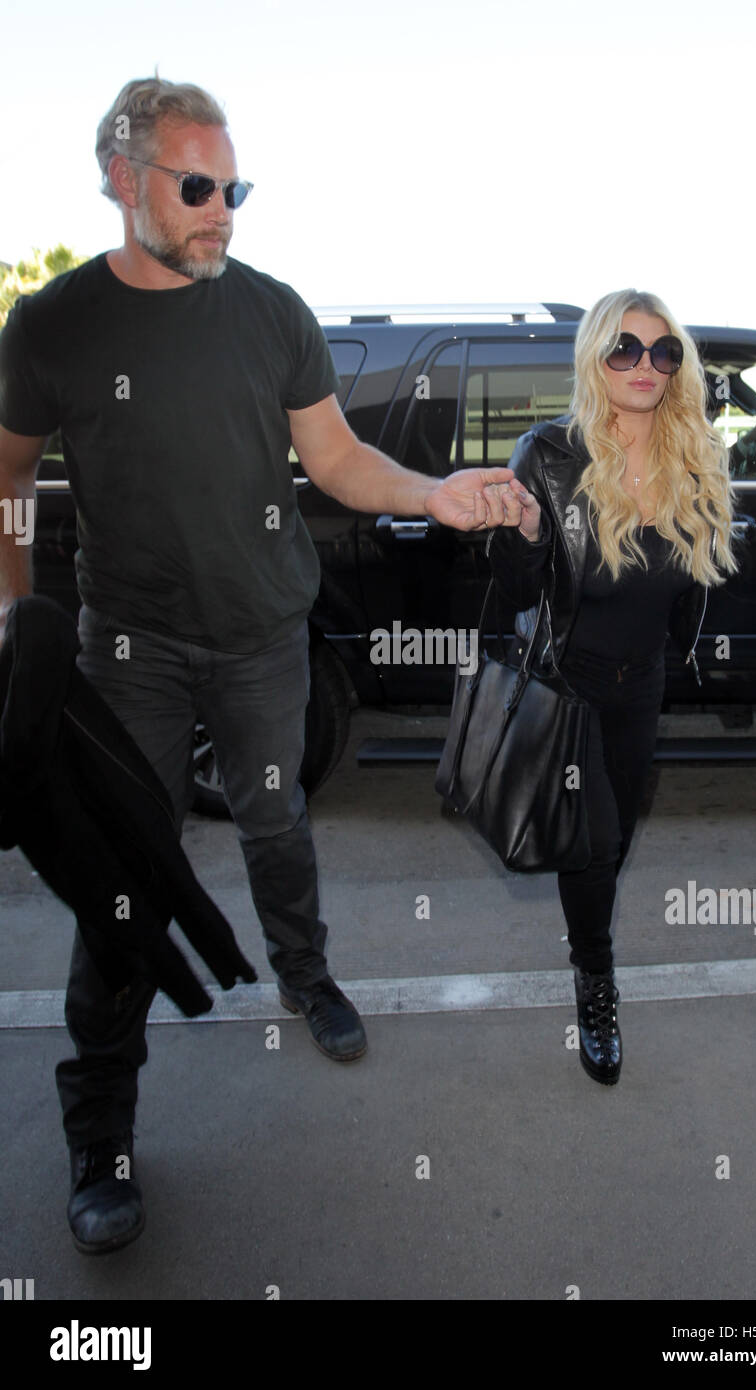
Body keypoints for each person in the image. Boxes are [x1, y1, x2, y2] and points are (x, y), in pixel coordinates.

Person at [0, 76, 522, 1254]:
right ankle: (103, 1131)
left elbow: (336, 461)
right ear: (122, 179)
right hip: (124, 652)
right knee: (120, 877)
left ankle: (305, 973)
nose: (222, 211)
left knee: (277, 826)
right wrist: (17, 616)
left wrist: (434, 490)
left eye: (234, 187)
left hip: (261, 640)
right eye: (197, 188)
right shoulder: (53, 327)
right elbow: (8, 475)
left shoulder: (272, 312)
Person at [483, 289, 738, 1086]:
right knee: (592, 847)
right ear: (596, 357)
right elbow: (513, 585)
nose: (645, 366)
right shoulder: (550, 454)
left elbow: (692, 584)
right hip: (570, 685)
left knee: (614, 842)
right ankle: (595, 981)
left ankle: (588, 938)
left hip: (642, 686)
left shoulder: (694, 453)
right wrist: (523, 534)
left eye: (663, 353)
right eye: (624, 348)